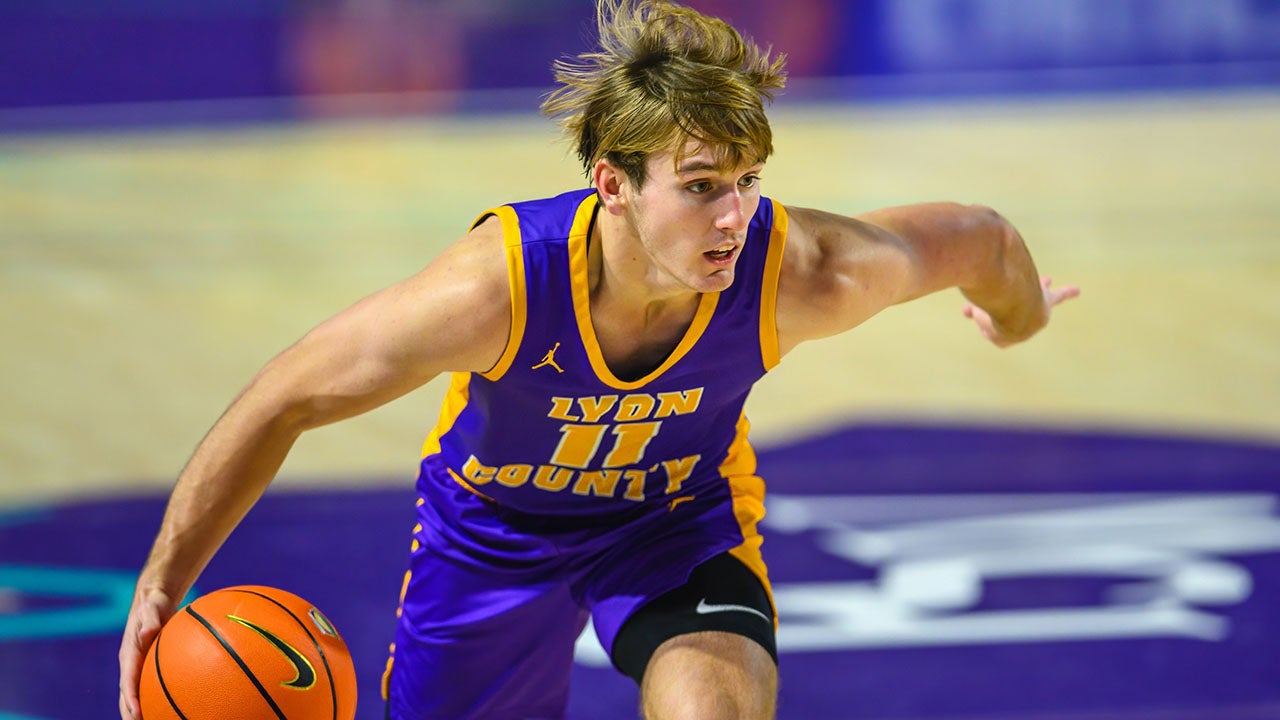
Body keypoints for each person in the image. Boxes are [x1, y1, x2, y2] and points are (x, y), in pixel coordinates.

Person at [117, 0, 1079, 718]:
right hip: (493, 536)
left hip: (673, 526)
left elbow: (979, 240)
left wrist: (1021, 318)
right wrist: (163, 582)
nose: (735, 216)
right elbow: (284, 398)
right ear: (612, 184)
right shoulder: (496, 290)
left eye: (747, 183)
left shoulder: (801, 273)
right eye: (702, 186)